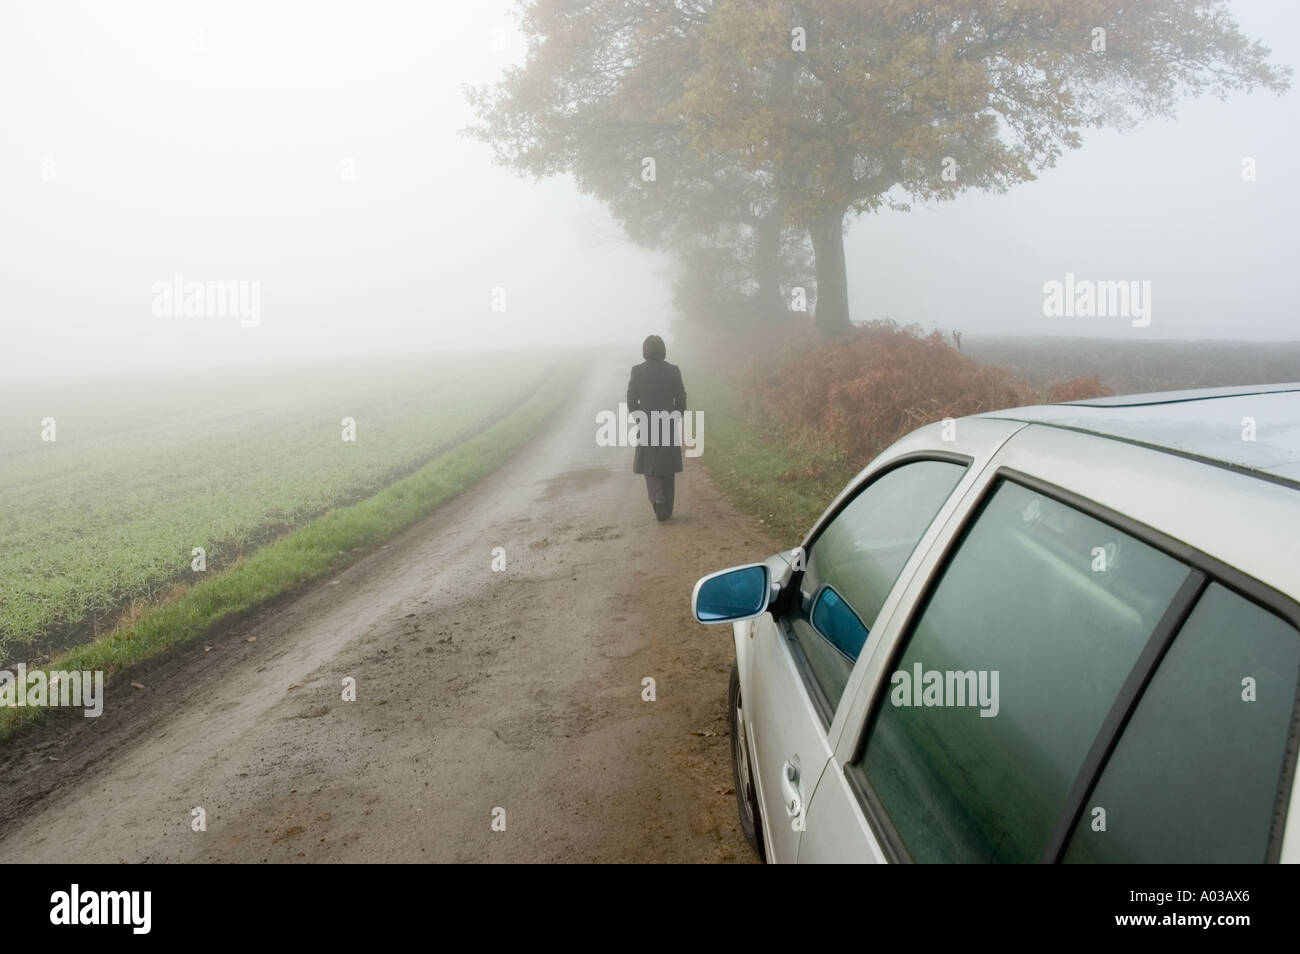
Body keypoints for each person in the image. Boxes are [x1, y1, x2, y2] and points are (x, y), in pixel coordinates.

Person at [626, 334, 687, 521]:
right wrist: (675, 417)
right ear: (663, 350)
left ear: (645, 351)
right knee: (667, 467)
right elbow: (681, 398)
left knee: (649, 466)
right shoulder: (673, 370)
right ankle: (667, 508)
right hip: (667, 421)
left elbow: (631, 398)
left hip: (646, 423)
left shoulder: (637, 371)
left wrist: (638, 418)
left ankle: (658, 498)